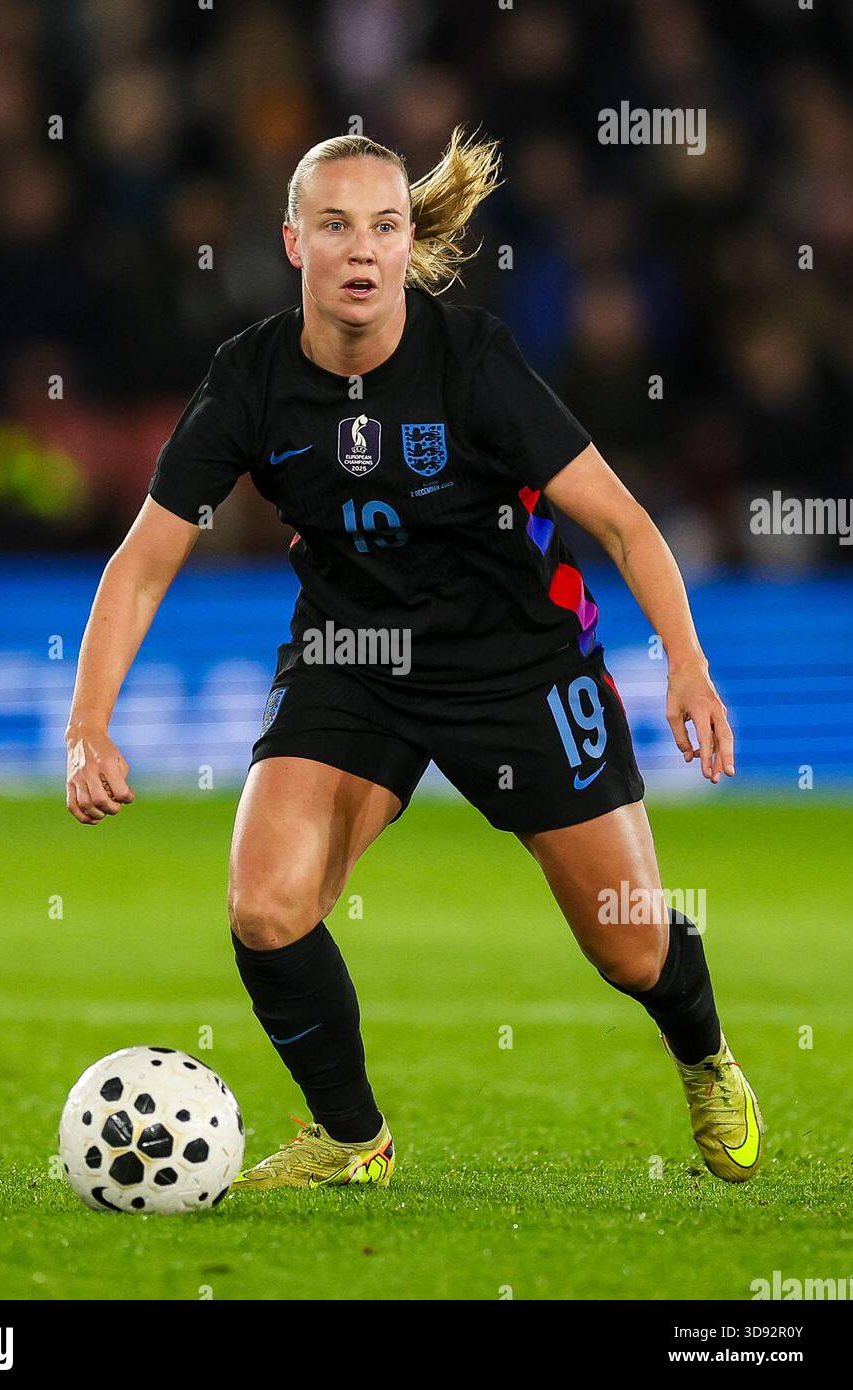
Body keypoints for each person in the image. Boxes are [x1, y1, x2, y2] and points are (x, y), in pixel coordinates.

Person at [65, 128, 763, 1192]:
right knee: (266, 905)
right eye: (336, 225)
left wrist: (686, 662)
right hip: (352, 660)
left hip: (520, 666)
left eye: (384, 226)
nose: (361, 248)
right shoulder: (249, 379)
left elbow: (624, 524)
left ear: (405, 245)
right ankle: (353, 1139)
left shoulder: (472, 361)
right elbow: (143, 561)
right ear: (293, 242)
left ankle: (704, 1054)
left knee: (629, 947)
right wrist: (87, 723)